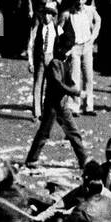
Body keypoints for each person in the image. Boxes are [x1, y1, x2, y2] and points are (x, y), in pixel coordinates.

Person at [25, 34, 87, 167]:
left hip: (62, 104)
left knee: (73, 133)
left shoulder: (64, 62)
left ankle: (84, 160)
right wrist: (76, 92)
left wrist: (74, 88)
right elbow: (59, 84)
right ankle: (32, 159)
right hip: (52, 105)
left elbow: (68, 81)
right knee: (44, 133)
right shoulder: (54, 63)